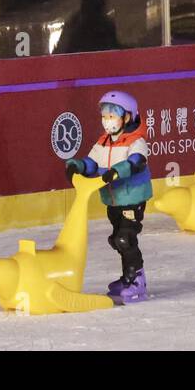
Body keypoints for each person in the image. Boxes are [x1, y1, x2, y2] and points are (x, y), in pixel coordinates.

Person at [64, 90, 152, 304]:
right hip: (113, 199)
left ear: (127, 117)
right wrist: (78, 165)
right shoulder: (103, 142)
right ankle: (127, 277)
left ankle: (137, 281)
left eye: (112, 116)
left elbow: (137, 161)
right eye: (104, 116)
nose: (107, 121)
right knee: (117, 240)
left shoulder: (135, 141)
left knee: (125, 239)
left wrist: (118, 170)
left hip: (132, 198)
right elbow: (92, 162)